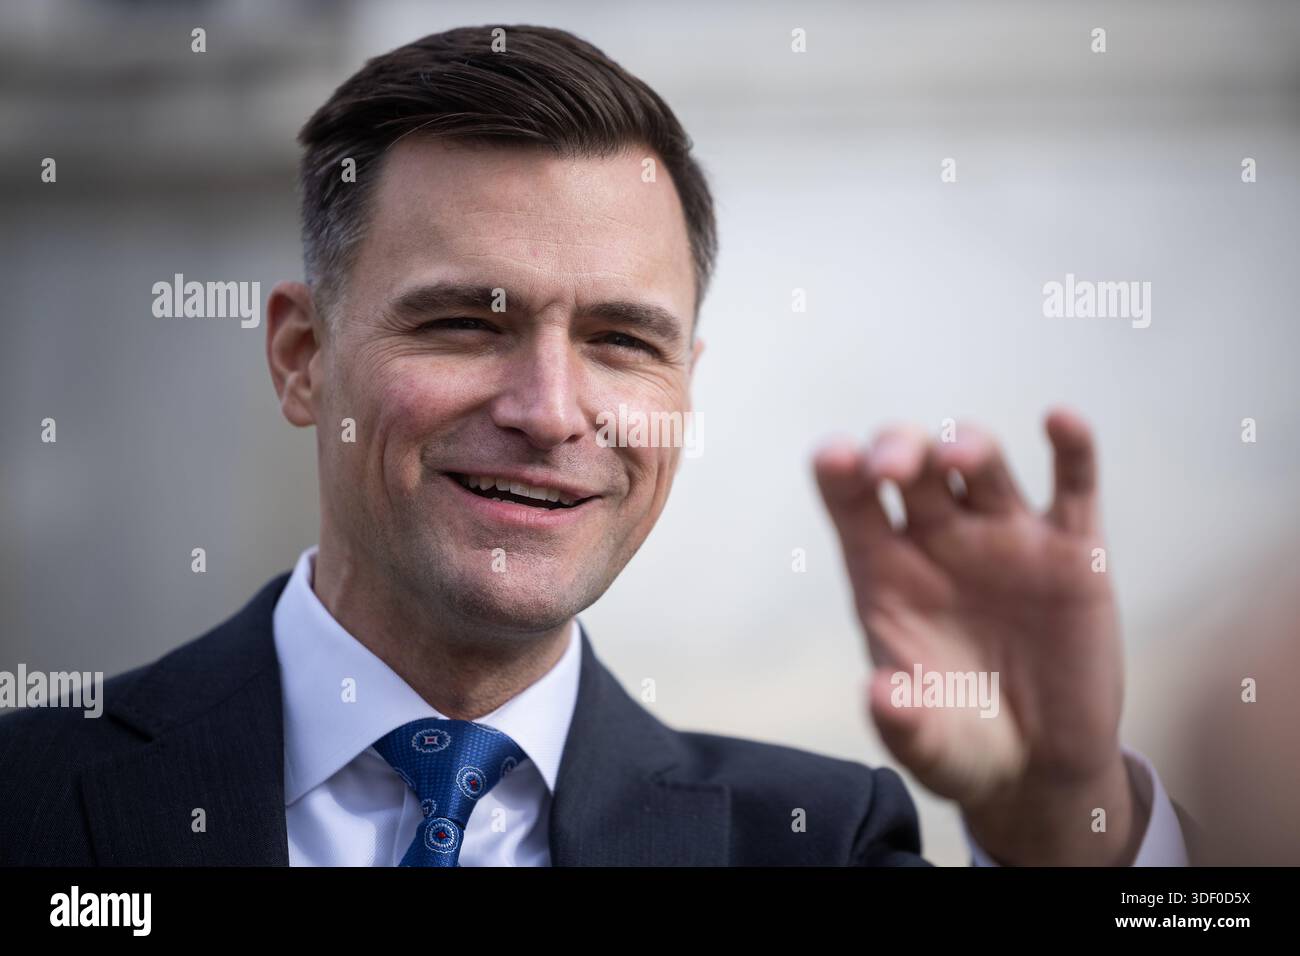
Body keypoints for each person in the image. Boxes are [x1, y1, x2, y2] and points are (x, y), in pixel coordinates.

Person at [0, 24, 1190, 866]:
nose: (552, 406)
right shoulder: (29, 798)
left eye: (623, 340)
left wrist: (1064, 819)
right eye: (468, 320)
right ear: (302, 356)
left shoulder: (812, 841)